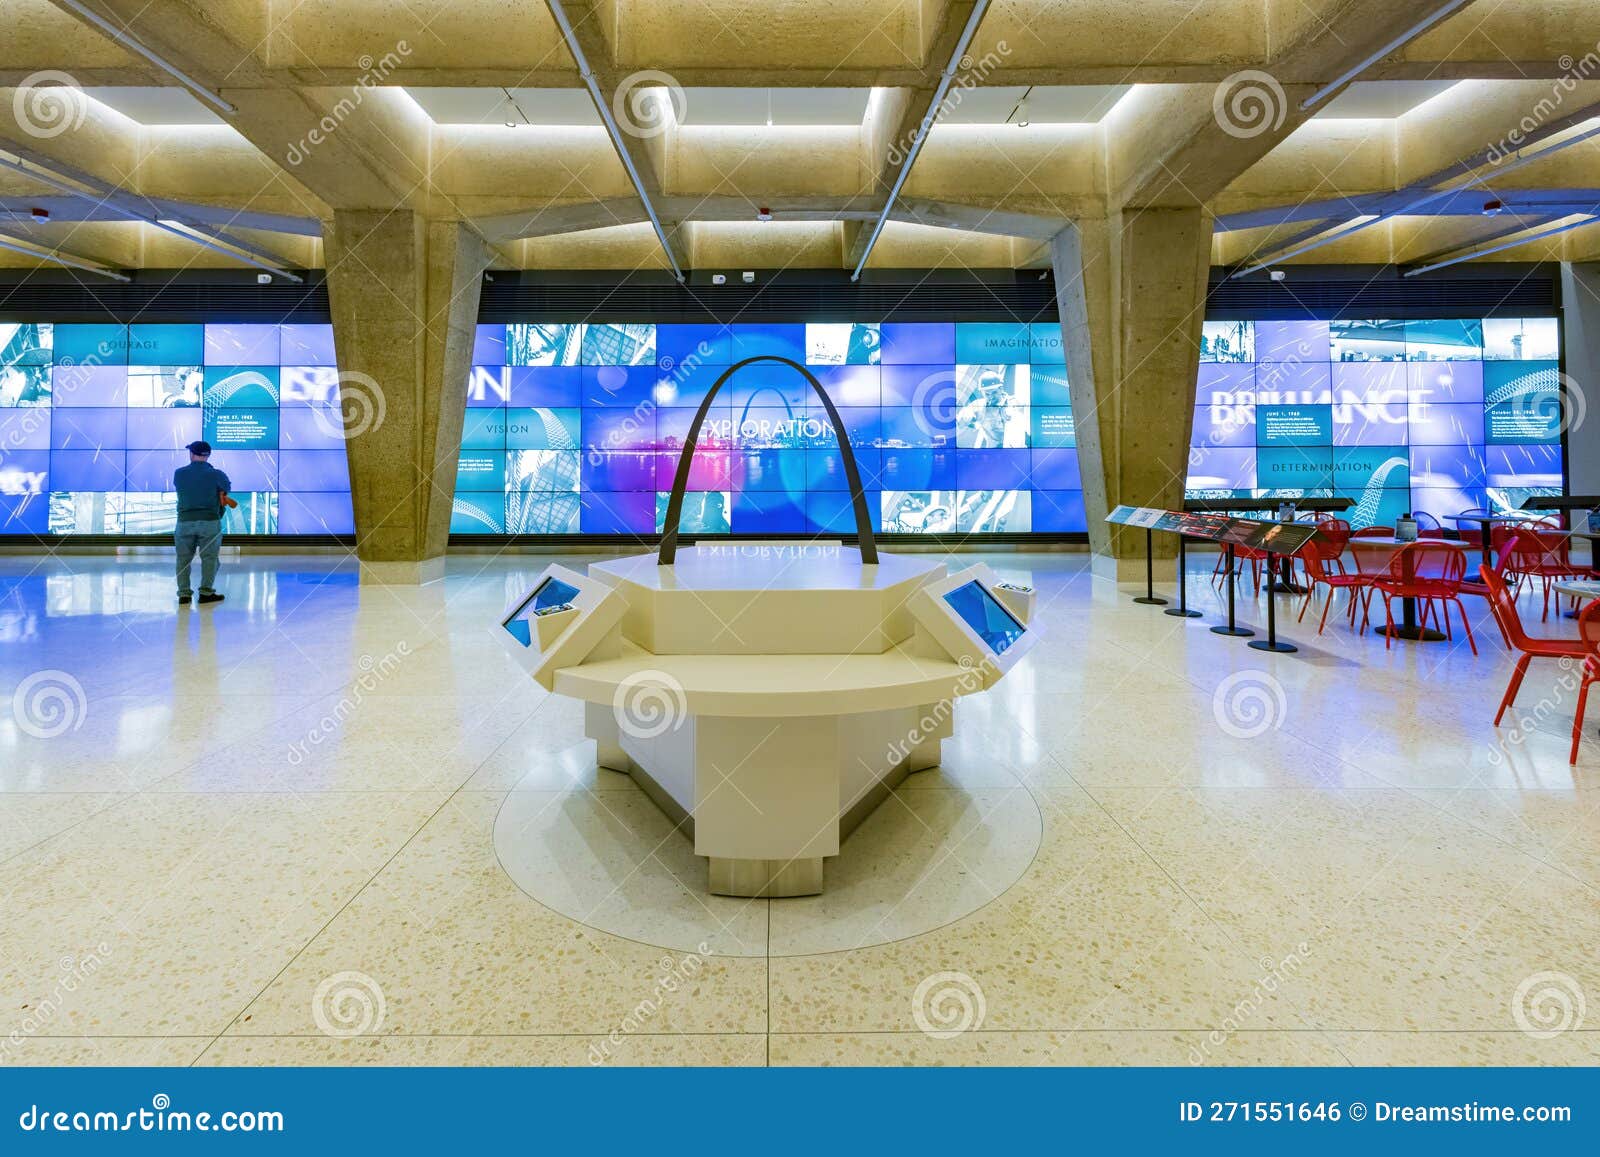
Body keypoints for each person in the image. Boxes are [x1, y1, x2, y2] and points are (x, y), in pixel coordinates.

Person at [173, 440, 230, 606]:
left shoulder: (179, 473)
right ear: (208, 455)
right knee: (210, 559)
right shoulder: (217, 474)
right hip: (210, 522)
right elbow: (226, 488)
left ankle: (184, 595)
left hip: (184, 522)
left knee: (183, 560)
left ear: (191, 454)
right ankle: (205, 593)